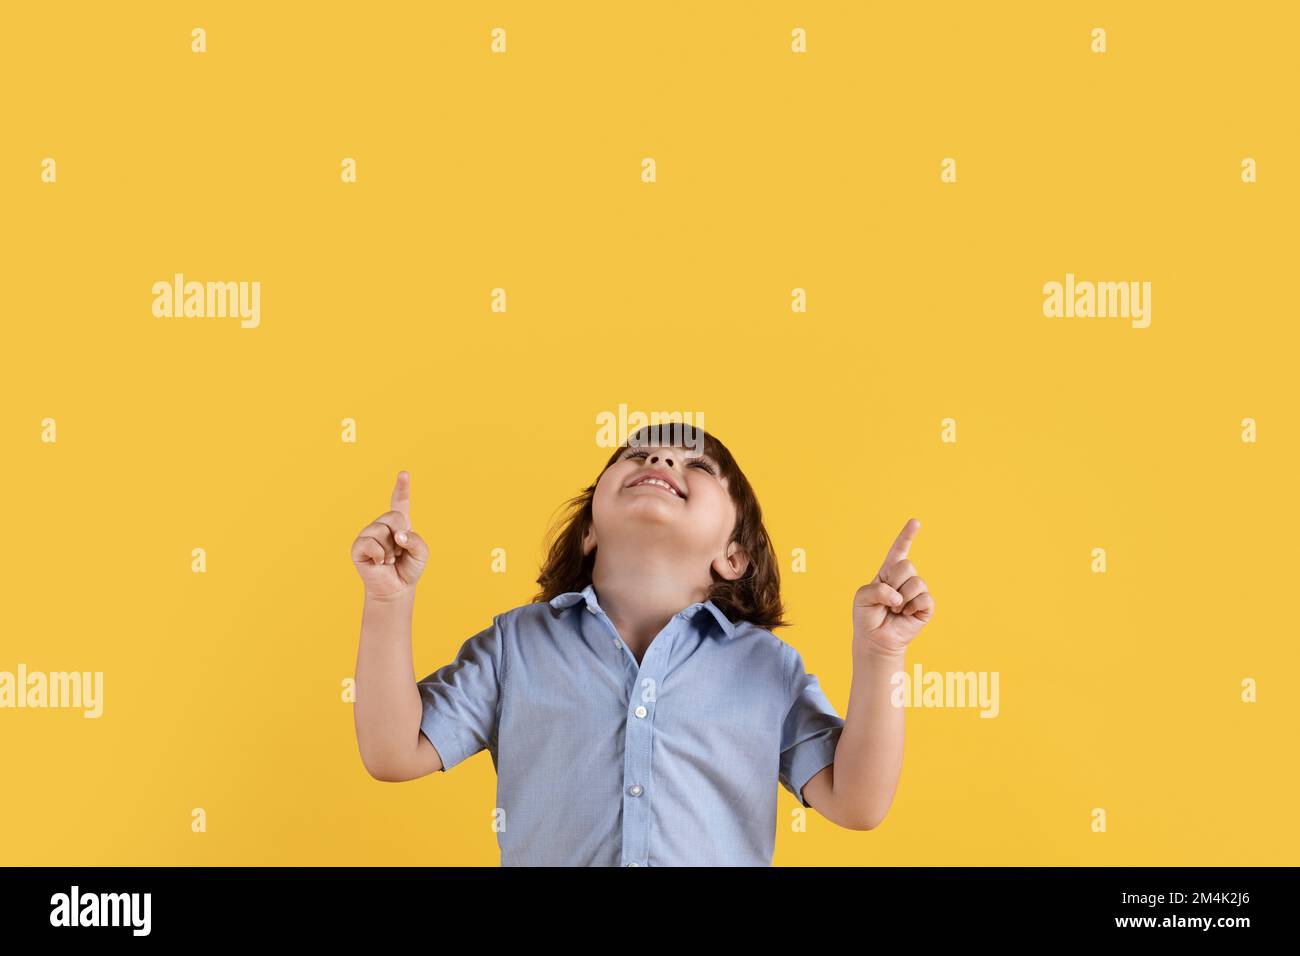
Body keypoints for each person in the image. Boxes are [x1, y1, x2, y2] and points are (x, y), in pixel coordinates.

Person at [350, 424, 935, 865]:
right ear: (588, 532)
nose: (659, 458)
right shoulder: (516, 645)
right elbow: (393, 753)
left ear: (733, 556)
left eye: (696, 464)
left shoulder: (768, 668)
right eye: (637, 454)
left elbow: (856, 803)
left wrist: (881, 655)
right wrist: (387, 601)